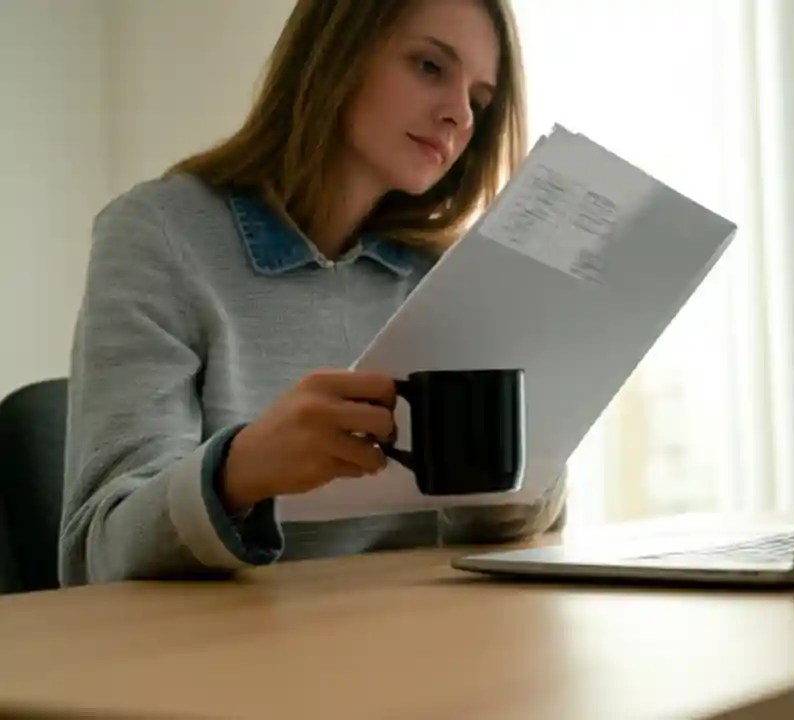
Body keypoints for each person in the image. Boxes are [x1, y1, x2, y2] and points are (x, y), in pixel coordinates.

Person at [59, 0, 566, 586]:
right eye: (430, 66)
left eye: (479, 101)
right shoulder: (159, 234)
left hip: (425, 649)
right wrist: (242, 469)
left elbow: (506, 537)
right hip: (233, 661)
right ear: (336, 53)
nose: (459, 115)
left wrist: (511, 461)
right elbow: (99, 551)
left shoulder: (445, 276)